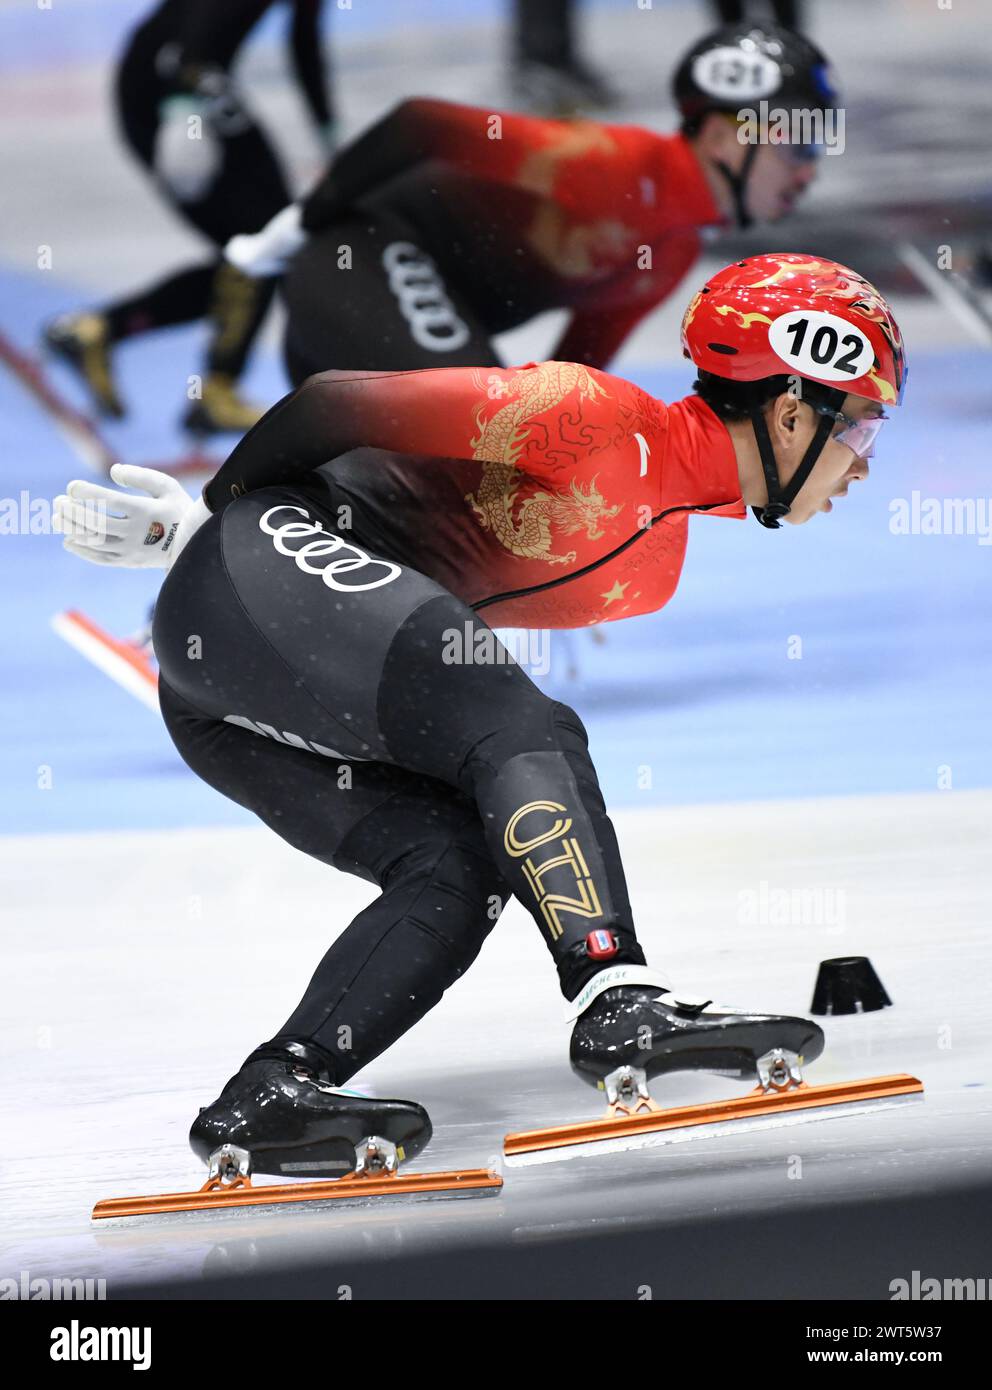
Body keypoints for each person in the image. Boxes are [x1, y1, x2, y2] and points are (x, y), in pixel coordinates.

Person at [54, 253, 906, 1177]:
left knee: (461, 860)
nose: (864, 466)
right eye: (863, 428)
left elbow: (416, 652)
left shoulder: (650, 572)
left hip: (219, 708)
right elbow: (336, 401)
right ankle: (619, 1000)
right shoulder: (594, 416)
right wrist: (206, 531)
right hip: (260, 562)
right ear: (790, 411)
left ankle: (274, 1091)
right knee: (524, 721)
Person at [225, 24, 838, 386]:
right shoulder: (609, 160)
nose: (810, 169)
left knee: (494, 457)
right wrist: (300, 222)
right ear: (722, 137)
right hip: (356, 259)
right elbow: (419, 124)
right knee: (481, 440)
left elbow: (568, 384)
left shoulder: (673, 252)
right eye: (798, 142)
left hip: (378, 323)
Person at [43, 0, 333, 436]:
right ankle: (216, 391)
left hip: (188, 77)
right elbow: (203, 20)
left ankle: (98, 329)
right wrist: (182, 110)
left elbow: (303, 37)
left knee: (256, 247)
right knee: (264, 235)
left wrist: (330, 133)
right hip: (171, 82)